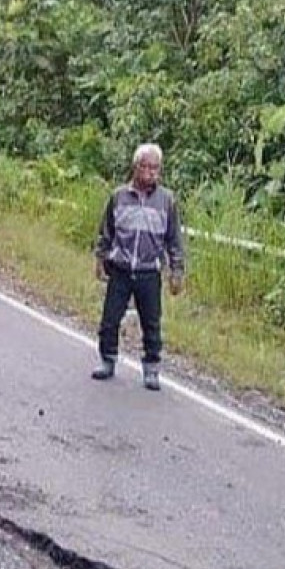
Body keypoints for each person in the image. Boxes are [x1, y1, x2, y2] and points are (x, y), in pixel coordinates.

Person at [91, 143, 185, 391]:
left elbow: (174, 239)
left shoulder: (166, 201)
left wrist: (177, 270)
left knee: (151, 322)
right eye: (147, 167)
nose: (151, 172)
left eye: (156, 168)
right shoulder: (119, 197)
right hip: (120, 268)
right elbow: (106, 231)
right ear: (136, 167)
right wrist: (100, 259)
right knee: (110, 319)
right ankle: (108, 360)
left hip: (148, 270)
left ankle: (152, 369)